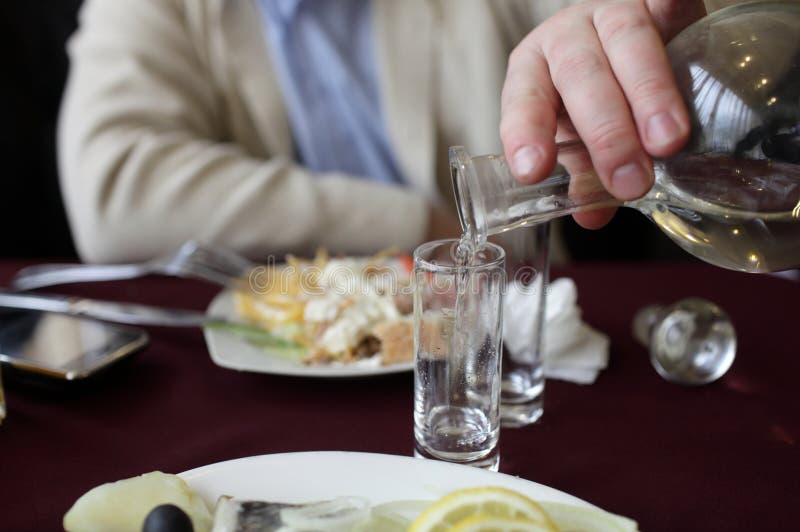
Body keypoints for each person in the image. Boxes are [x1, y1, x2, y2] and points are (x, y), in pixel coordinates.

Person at [58, 0, 714, 263]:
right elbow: (114, 195)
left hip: (507, 356)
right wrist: (422, 224)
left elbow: (640, 20)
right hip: (285, 376)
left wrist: (651, 38)